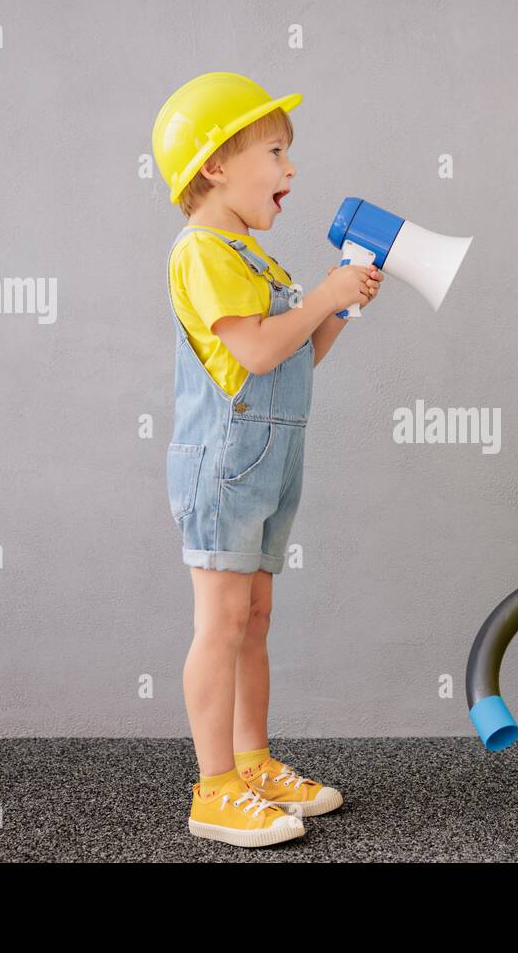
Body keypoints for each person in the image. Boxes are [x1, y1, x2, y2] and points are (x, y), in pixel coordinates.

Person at [151, 72, 382, 848]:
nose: (291, 171)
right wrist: (322, 296)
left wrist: (338, 305)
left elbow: (297, 357)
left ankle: (251, 763)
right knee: (220, 620)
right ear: (216, 164)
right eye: (277, 153)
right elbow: (250, 351)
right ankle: (213, 788)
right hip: (225, 463)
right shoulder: (203, 252)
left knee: (255, 616)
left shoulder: (256, 259)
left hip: (271, 458)